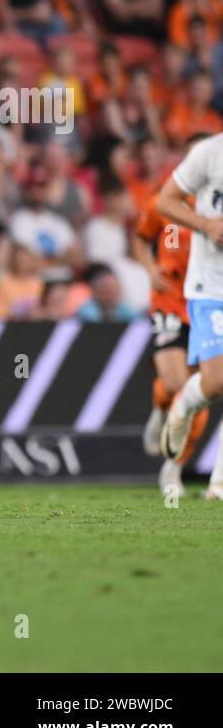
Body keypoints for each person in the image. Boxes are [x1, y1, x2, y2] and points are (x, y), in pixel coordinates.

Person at [153, 134, 223, 499]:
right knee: (211, 382)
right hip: (203, 290)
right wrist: (207, 225)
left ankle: (218, 484)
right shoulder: (209, 154)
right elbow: (161, 206)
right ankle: (175, 404)